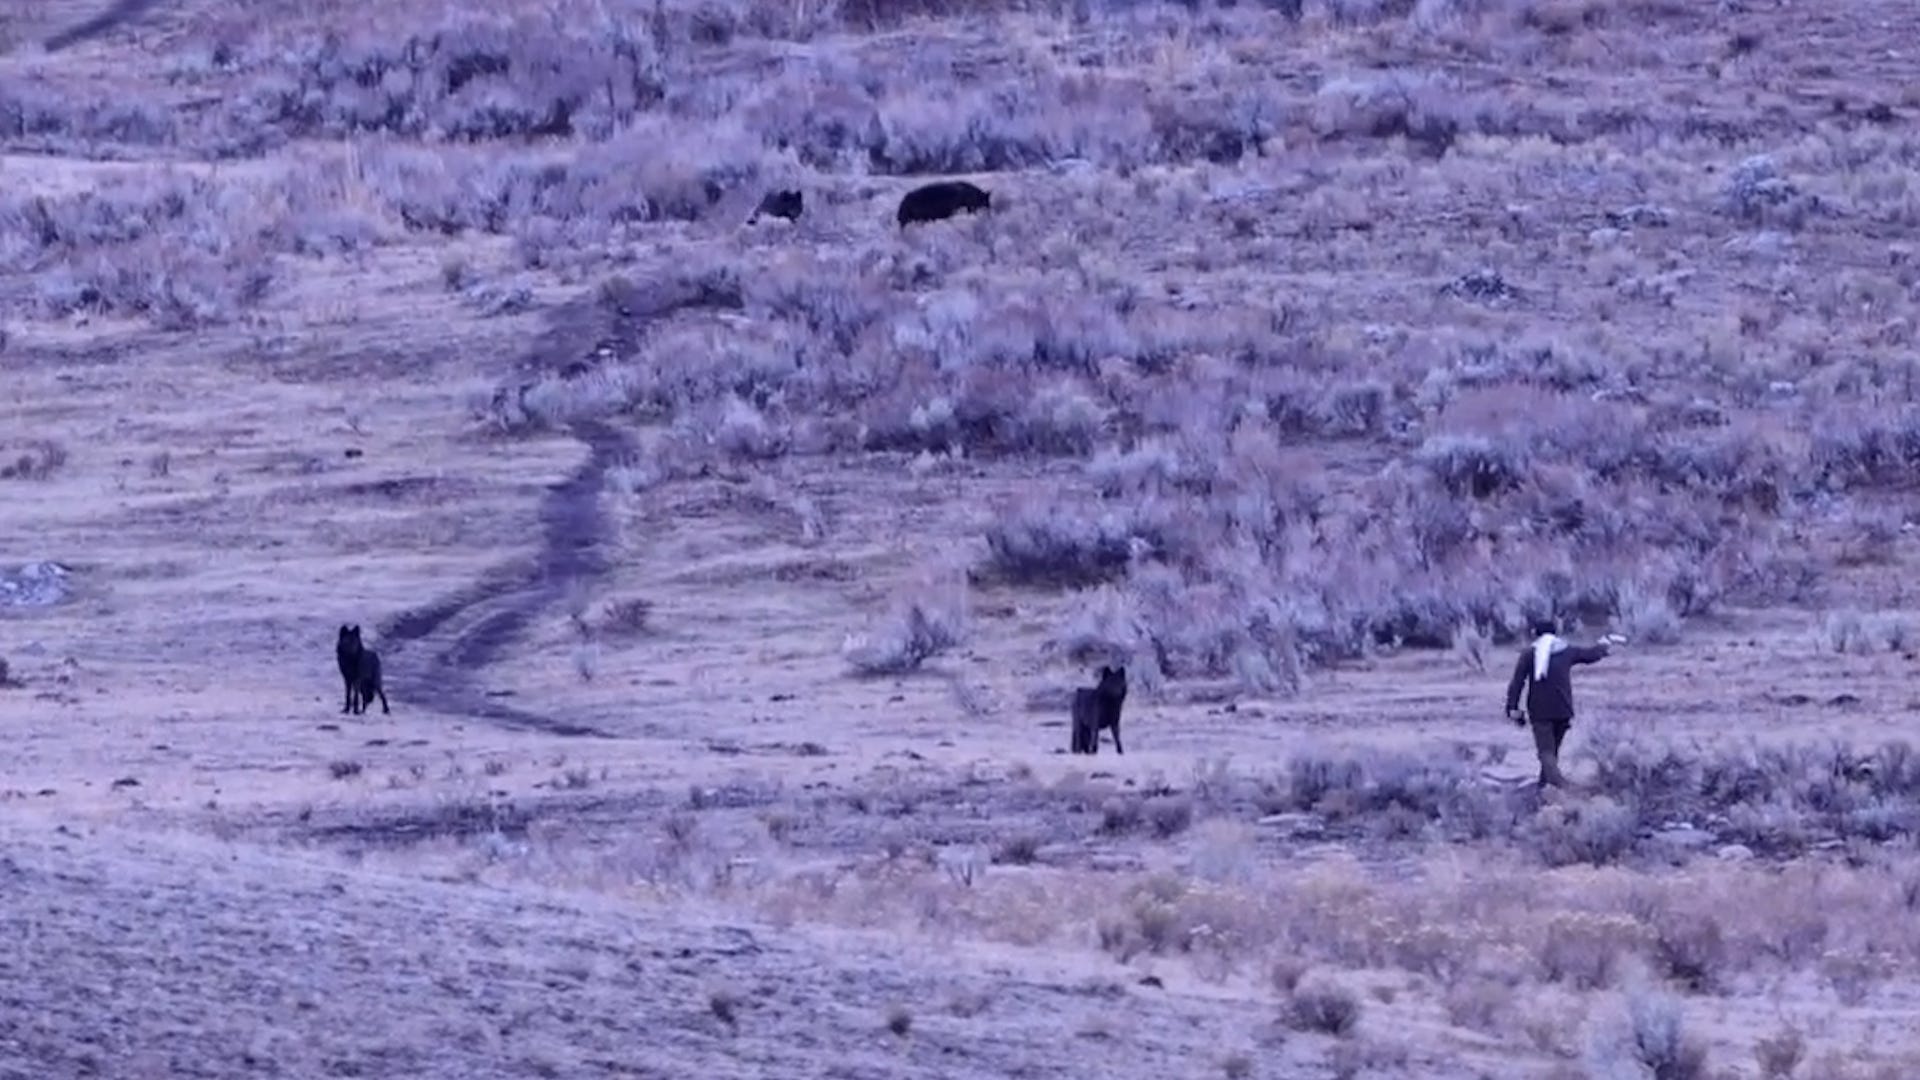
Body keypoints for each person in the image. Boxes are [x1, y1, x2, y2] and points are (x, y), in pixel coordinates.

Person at [1503, 617, 1627, 788]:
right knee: (1552, 751)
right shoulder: (1566, 650)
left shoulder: (1529, 654)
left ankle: (1562, 787)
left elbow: (1517, 683)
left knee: (1546, 752)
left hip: (1540, 711)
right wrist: (1605, 643)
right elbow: (1591, 655)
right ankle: (1544, 786)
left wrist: (1512, 708)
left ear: (1535, 634)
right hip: (1563, 709)